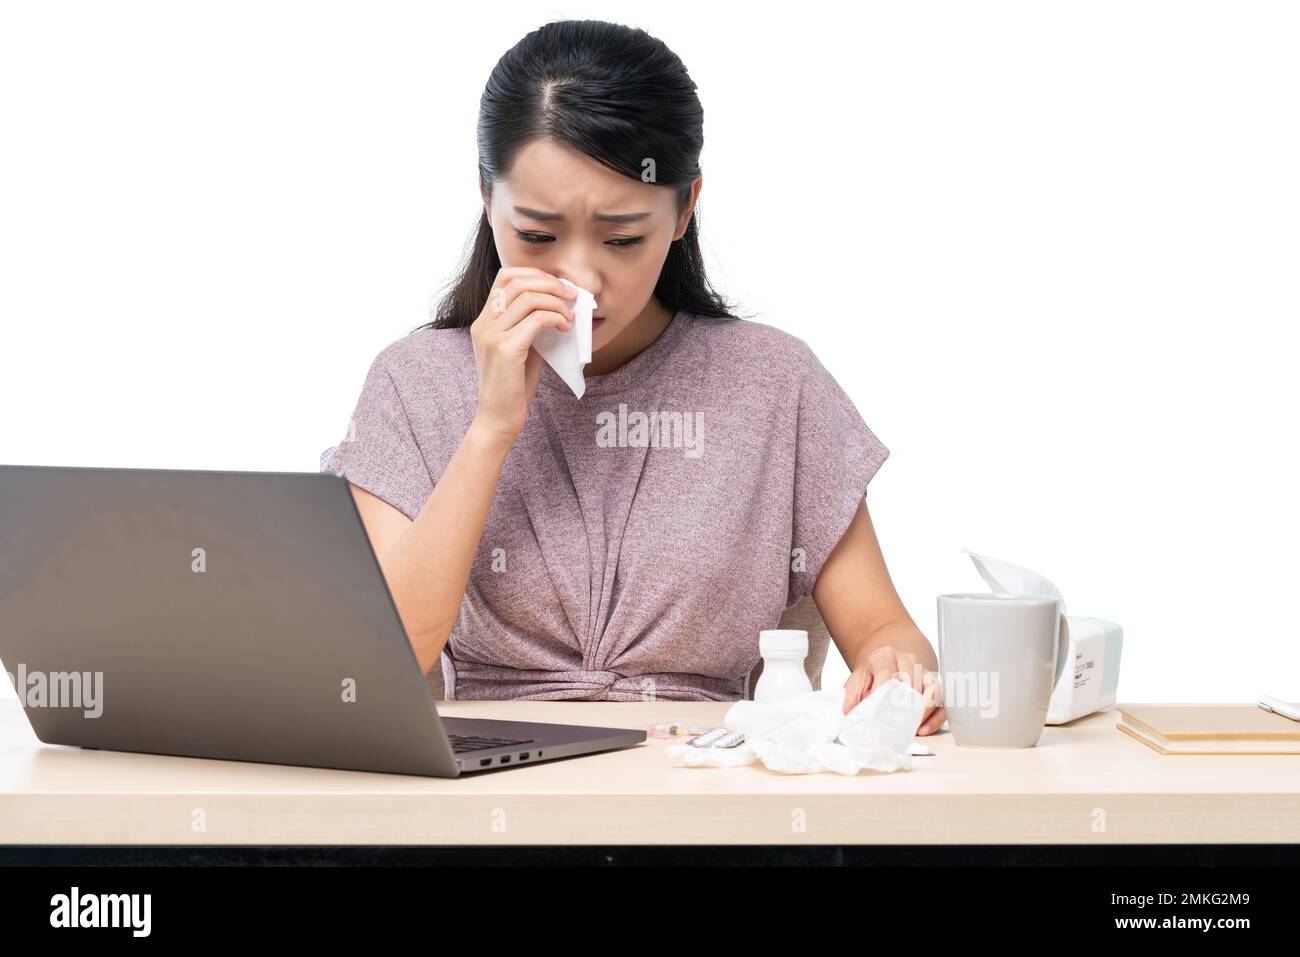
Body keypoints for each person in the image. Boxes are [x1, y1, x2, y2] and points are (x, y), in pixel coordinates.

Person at [323, 18, 946, 735]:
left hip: (705, 791)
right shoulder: (414, 383)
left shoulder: (773, 382)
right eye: (535, 235)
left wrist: (898, 672)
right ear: (486, 197)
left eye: (623, 238)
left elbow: (883, 630)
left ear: (684, 208)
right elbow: (373, 668)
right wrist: (491, 428)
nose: (581, 276)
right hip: (486, 793)